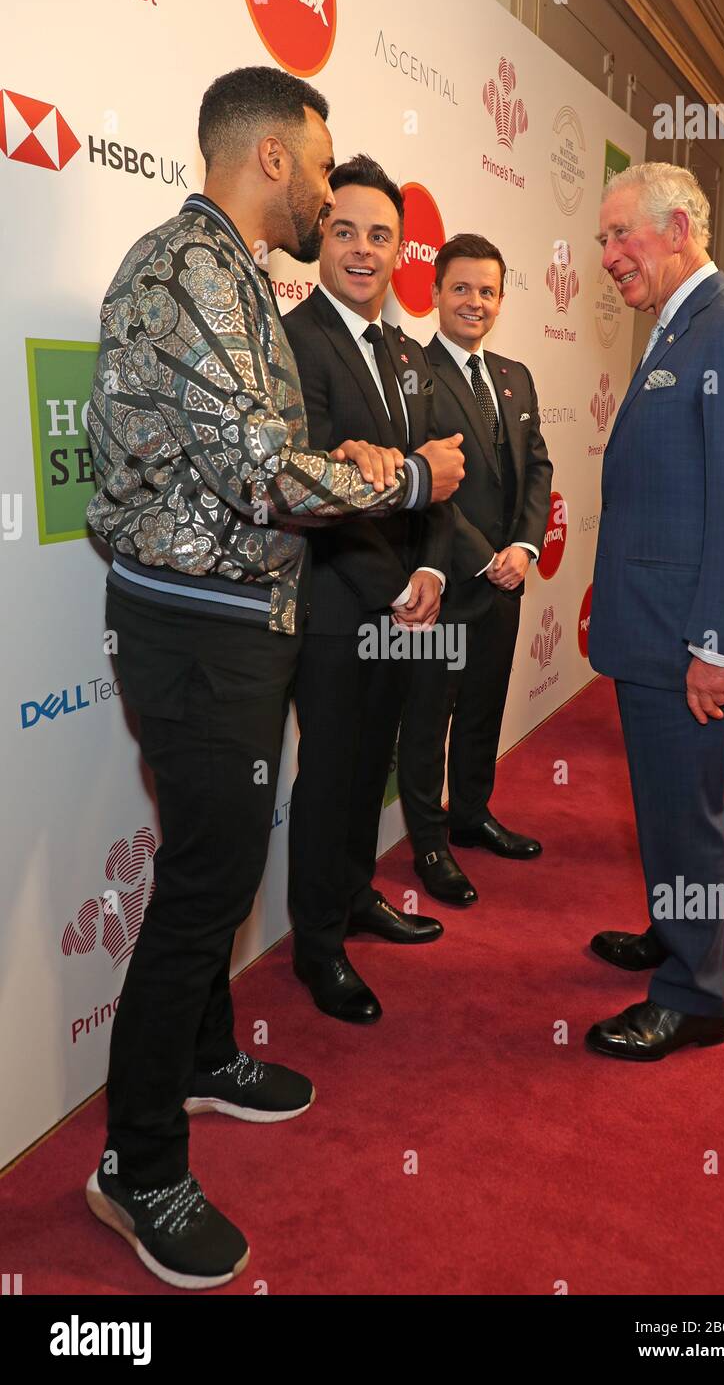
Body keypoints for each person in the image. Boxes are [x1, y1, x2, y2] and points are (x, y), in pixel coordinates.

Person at [83, 66, 463, 1289]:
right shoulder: (192, 271)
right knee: (206, 884)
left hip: (233, 619)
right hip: (199, 631)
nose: (330, 184)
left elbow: (252, 454)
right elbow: (255, 478)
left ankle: (203, 1060)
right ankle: (136, 1167)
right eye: (322, 157)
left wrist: (330, 458)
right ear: (274, 160)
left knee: (220, 867)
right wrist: (403, 477)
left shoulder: (232, 274)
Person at [586, 163, 724, 1061]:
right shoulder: (680, 328)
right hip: (656, 633)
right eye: (600, 241)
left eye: (618, 235)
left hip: (689, 642)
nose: (605, 258)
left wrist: (716, 646)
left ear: (677, 230)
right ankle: (677, 936)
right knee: (668, 811)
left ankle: (695, 994)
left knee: (688, 814)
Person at [284, 155, 458, 1024]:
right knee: (327, 777)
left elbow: (435, 478)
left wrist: (427, 571)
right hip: (335, 607)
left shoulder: (401, 349)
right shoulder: (296, 340)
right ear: (321, 236)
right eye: (345, 230)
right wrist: (394, 588)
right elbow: (309, 487)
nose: (361, 250)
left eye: (379, 236)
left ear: (401, 252)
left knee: (366, 769)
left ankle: (354, 895)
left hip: (401, 600)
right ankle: (315, 945)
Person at [398, 234, 553, 907]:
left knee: (484, 708)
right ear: (434, 293)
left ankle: (470, 814)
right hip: (444, 579)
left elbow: (537, 469)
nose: (474, 302)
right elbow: (424, 482)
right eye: (460, 288)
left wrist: (523, 548)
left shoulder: (516, 376)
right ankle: (427, 842)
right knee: (428, 718)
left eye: (486, 291)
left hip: (506, 581)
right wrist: (482, 557)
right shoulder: (411, 374)